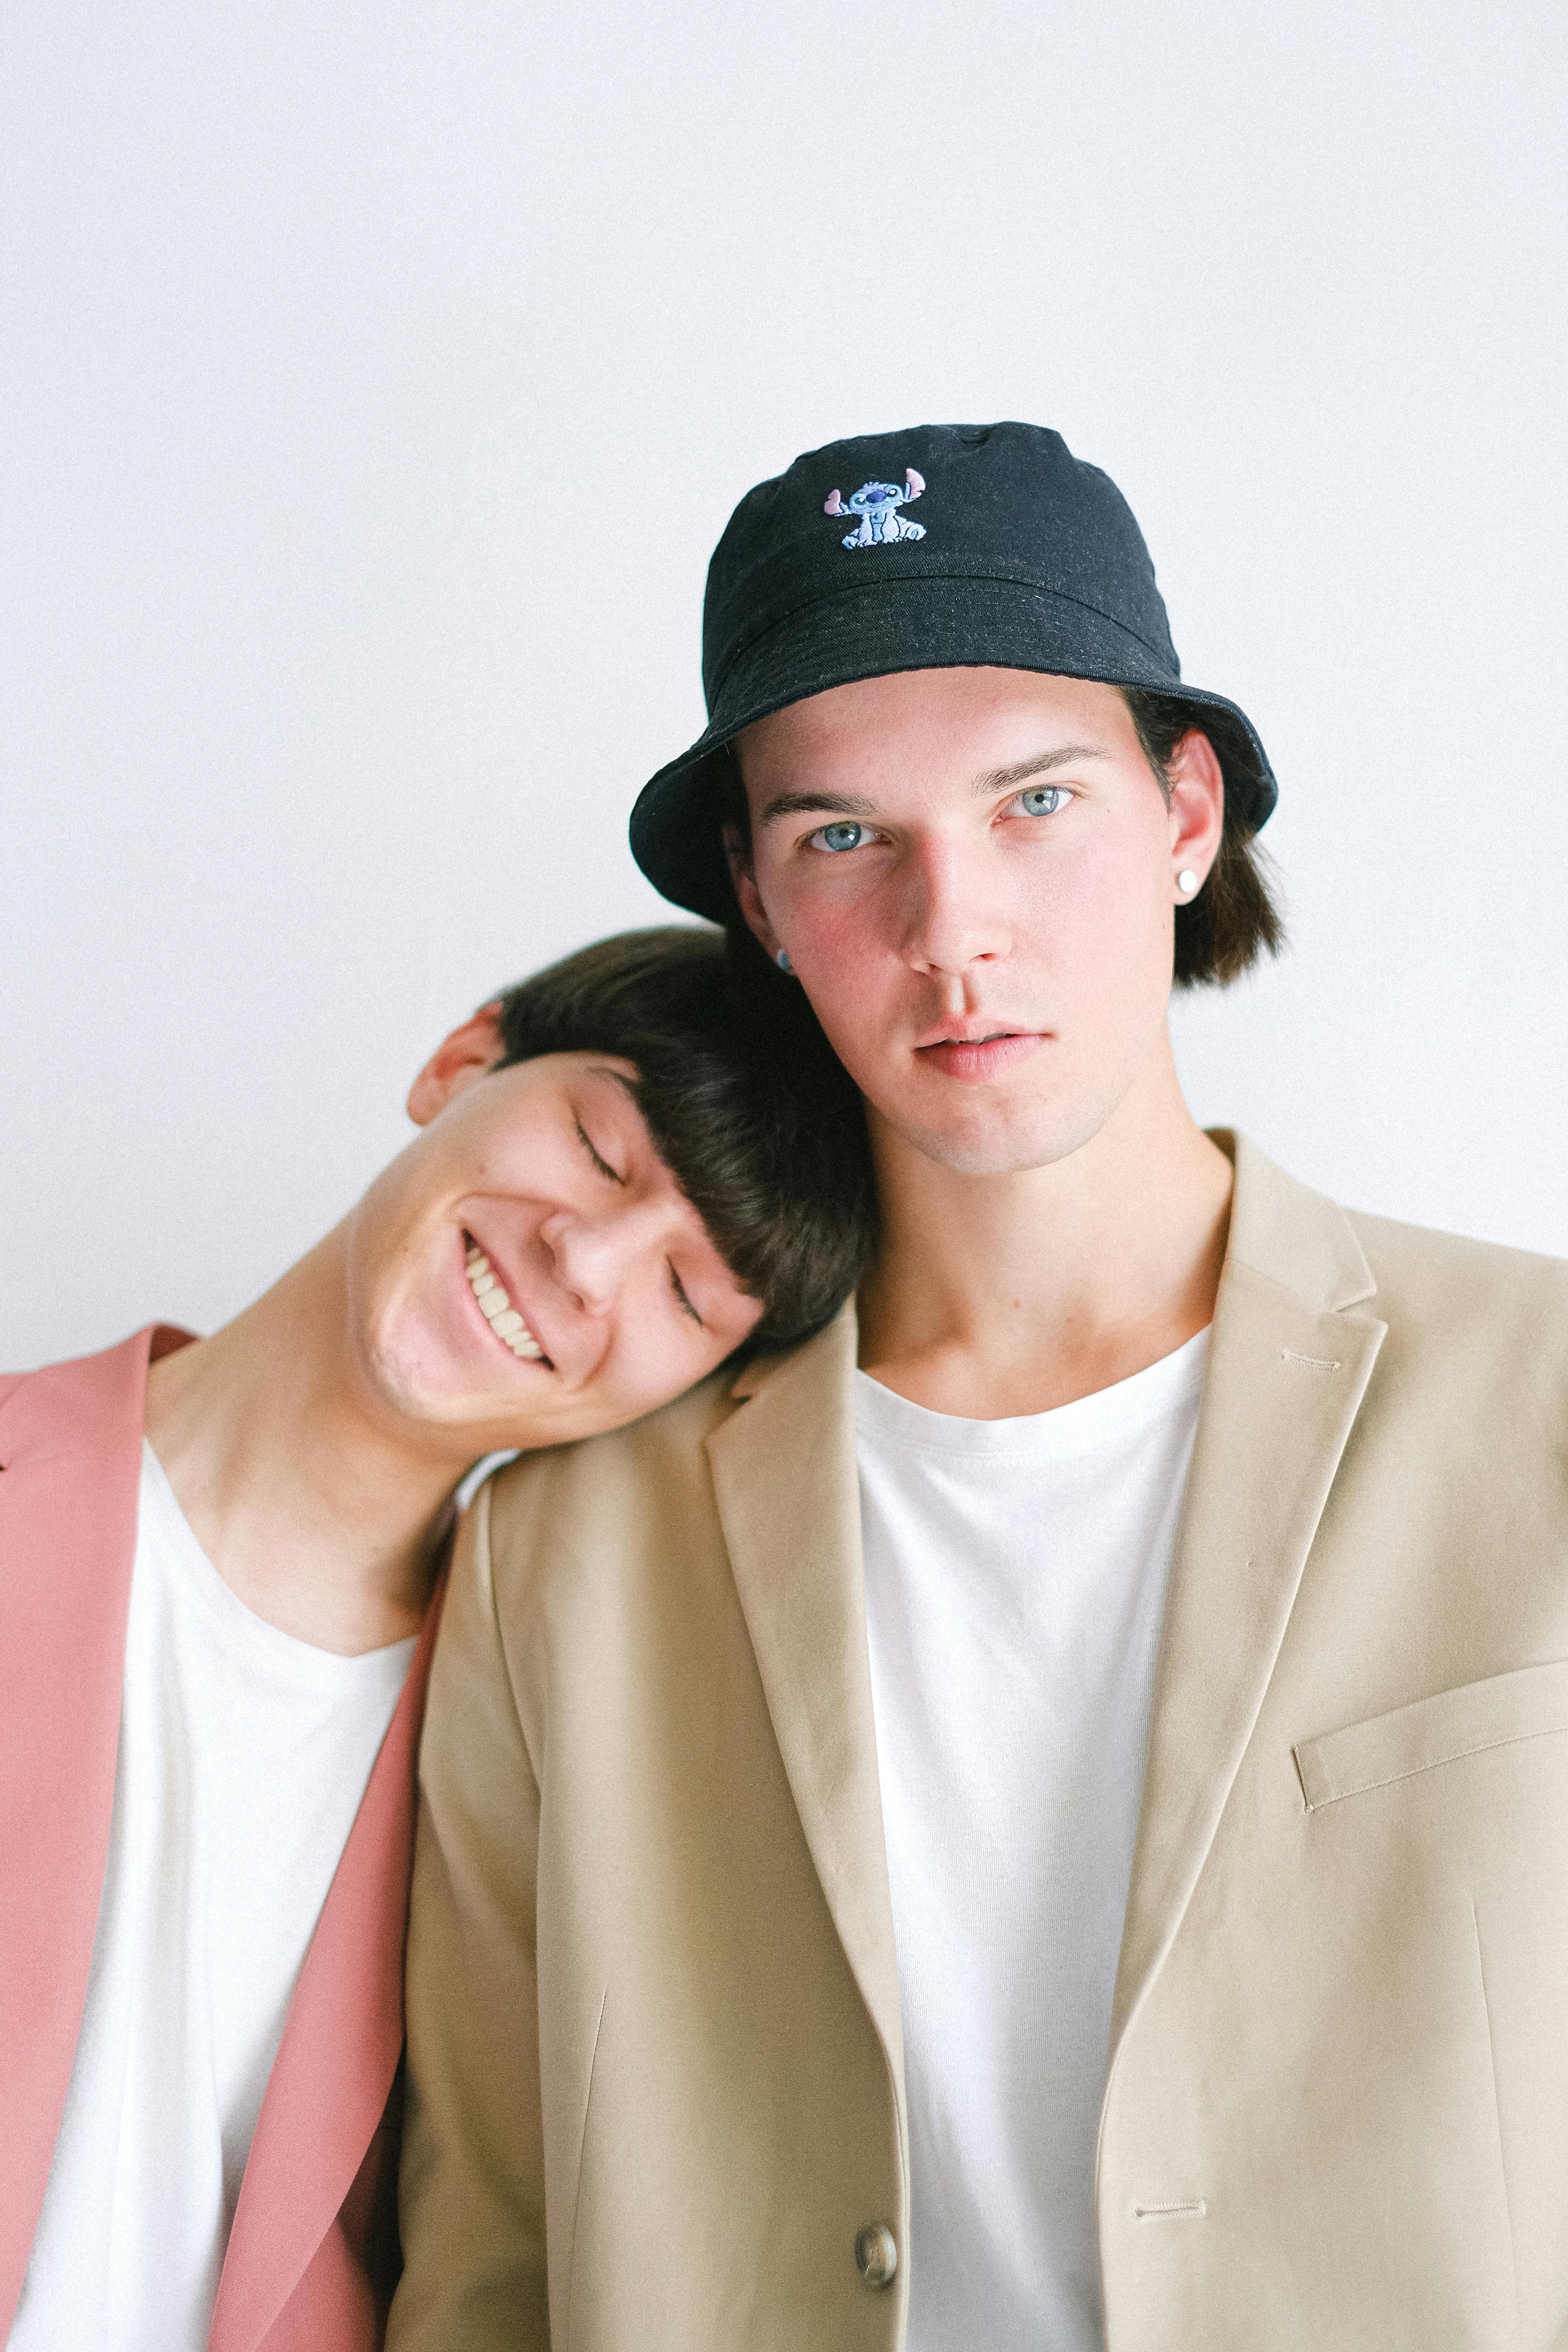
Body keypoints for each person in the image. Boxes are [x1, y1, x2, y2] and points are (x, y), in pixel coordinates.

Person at [390, 425, 1568, 2351]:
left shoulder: (1528, 1405)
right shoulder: (565, 1549)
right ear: (755, 906)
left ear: (1185, 814)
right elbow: (489, 2257)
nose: (955, 935)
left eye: (1033, 801)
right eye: (842, 837)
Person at [0, 925, 873, 2352]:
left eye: (685, 1294)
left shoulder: (555, 1777)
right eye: (601, 1151)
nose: (588, 1264)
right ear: (462, 1060)